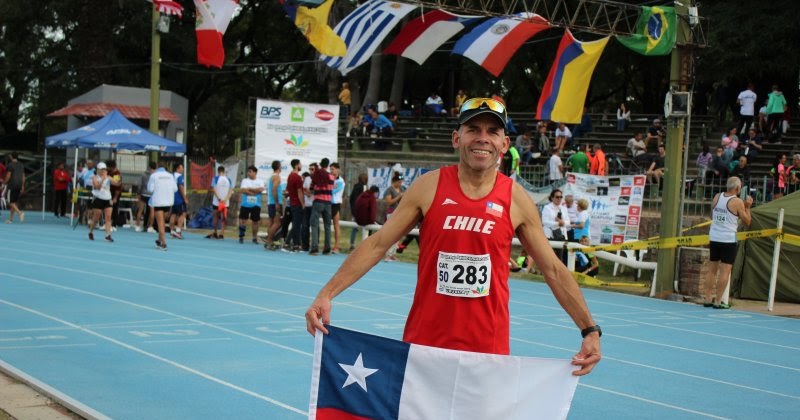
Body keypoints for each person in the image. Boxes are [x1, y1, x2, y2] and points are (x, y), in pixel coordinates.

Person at [305, 97, 601, 375]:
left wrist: (589, 329)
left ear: (504, 143)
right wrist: (327, 294)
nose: (482, 138)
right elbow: (379, 244)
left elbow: (552, 268)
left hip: (488, 351)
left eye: (492, 131)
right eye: (473, 129)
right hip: (425, 345)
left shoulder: (517, 200)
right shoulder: (428, 187)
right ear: (457, 138)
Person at [703, 176, 752, 309]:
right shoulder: (737, 202)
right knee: (725, 271)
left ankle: (707, 298)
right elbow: (747, 222)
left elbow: (712, 216)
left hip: (714, 237)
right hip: (728, 239)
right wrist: (747, 207)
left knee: (712, 270)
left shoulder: (717, 197)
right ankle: (718, 301)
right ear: (737, 188)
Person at [148, 160, 178, 251]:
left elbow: (150, 189)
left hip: (158, 202)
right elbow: (175, 189)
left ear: (157, 166)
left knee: (160, 223)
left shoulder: (153, 176)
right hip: (168, 202)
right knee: (163, 222)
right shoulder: (170, 176)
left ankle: (164, 243)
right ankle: (159, 239)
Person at [309, 158, 333, 255]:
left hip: (318, 201)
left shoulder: (316, 175)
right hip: (328, 203)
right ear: (328, 165)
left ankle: (314, 247)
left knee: (314, 224)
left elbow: (311, 189)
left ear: (320, 164)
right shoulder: (331, 177)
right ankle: (327, 248)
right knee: (327, 225)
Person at [238, 165, 265, 244]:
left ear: (255, 172)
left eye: (250, 172)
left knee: (255, 221)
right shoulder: (245, 180)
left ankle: (254, 238)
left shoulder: (260, 181)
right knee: (243, 220)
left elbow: (261, 189)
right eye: (248, 172)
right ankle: (241, 236)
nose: (248, 173)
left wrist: (249, 189)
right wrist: (252, 193)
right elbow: (243, 190)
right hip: (245, 204)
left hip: (256, 204)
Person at [87, 162, 114, 242]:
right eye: (101, 169)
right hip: (98, 198)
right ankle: (91, 231)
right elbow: (97, 187)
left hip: (107, 198)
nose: (103, 171)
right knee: (96, 218)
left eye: (104, 169)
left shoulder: (108, 177)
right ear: (98, 170)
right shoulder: (94, 177)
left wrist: (117, 180)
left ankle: (107, 235)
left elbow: (116, 183)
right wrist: (103, 179)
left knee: (108, 217)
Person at [382, 173, 405, 261]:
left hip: (400, 212)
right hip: (392, 213)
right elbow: (389, 202)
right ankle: (388, 254)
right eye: (399, 182)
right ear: (395, 181)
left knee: (398, 234)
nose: (400, 184)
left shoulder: (402, 189)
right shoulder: (389, 190)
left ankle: (393, 253)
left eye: (401, 182)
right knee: (391, 234)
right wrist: (398, 196)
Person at [208, 166, 233, 239]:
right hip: (225, 202)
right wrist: (226, 199)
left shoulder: (215, 178)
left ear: (218, 171)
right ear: (224, 172)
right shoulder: (229, 179)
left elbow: (214, 189)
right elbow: (230, 191)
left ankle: (215, 232)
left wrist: (219, 198)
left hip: (217, 202)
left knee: (215, 216)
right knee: (224, 217)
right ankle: (222, 233)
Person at [285, 159, 305, 252]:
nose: (301, 165)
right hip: (297, 203)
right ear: (297, 165)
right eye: (300, 164)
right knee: (297, 225)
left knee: (295, 224)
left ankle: (290, 243)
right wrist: (303, 204)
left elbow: (288, 190)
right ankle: (296, 244)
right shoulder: (297, 177)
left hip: (292, 203)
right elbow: (299, 191)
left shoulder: (290, 176)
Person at [265, 160, 283, 249]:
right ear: (279, 167)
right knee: (277, 223)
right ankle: (269, 240)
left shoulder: (271, 177)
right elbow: (274, 190)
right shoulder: (277, 177)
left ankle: (269, 240)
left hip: (270, 202)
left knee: (271, 222)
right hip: (275, 202)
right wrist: (277, 203)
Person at [348, 173, 368, 251]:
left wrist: (353, 210)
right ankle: (364, 244)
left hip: (354, 210)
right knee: (365, 227)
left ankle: (352, 244)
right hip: (361, 210)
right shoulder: (364, 188)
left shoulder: (355, 187)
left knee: (354, 228)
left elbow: (351, 199)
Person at [4, 152, 25, 223]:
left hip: (12, 185)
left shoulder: (10, 165)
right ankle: (10, 219)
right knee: (14, 202)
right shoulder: (21, 165)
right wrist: (22, 185)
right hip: (19, 185)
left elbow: (8, 175)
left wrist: (4, 183)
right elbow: (23, 176)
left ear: (11, 156)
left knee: (9, 201)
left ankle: (20, 213)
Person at [135, 162, 156, 232]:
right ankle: (150, 226)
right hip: (151, 195)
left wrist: (138, 193)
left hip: (143, 193)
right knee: (152, 211)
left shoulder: (143, 174)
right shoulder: (155, 175)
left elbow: (140, 185)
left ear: (149, 167)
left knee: (140, 210)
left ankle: (137, 226)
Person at [301, 164, 318, 251]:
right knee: (305, 225)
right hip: (307, 205)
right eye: (310, 169)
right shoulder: (307, 179)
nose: (311, 171)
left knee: (314, 225)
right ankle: (305, 246)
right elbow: (304, 189)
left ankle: (315, 245)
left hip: (314, 205)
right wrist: (307, 192)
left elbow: (317, 190)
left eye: (312, 169)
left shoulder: (319, 179)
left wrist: (310, 192)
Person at [169, 162, 188, 239]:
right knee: (183, 214)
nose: (183, 169)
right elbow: (181, 187)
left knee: (173, 214)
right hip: (179, 199)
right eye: (181, 167)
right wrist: (185, 198)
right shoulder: (180, 176)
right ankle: (178, 231)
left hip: (172, 198)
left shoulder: (171, 176)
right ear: (177, 168)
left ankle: (172, 231)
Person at [330, 162, 345, 253]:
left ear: (338, 169)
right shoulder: (329, 179)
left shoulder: (341, 181)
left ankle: (336, 246)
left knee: (336, 225)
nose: (331, 171)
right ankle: (328, 245)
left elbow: (333, 191)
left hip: (335, 204)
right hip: (328, 203)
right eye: (330, 169)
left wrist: (330, 187)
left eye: (333, 169)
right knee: (327, 225)